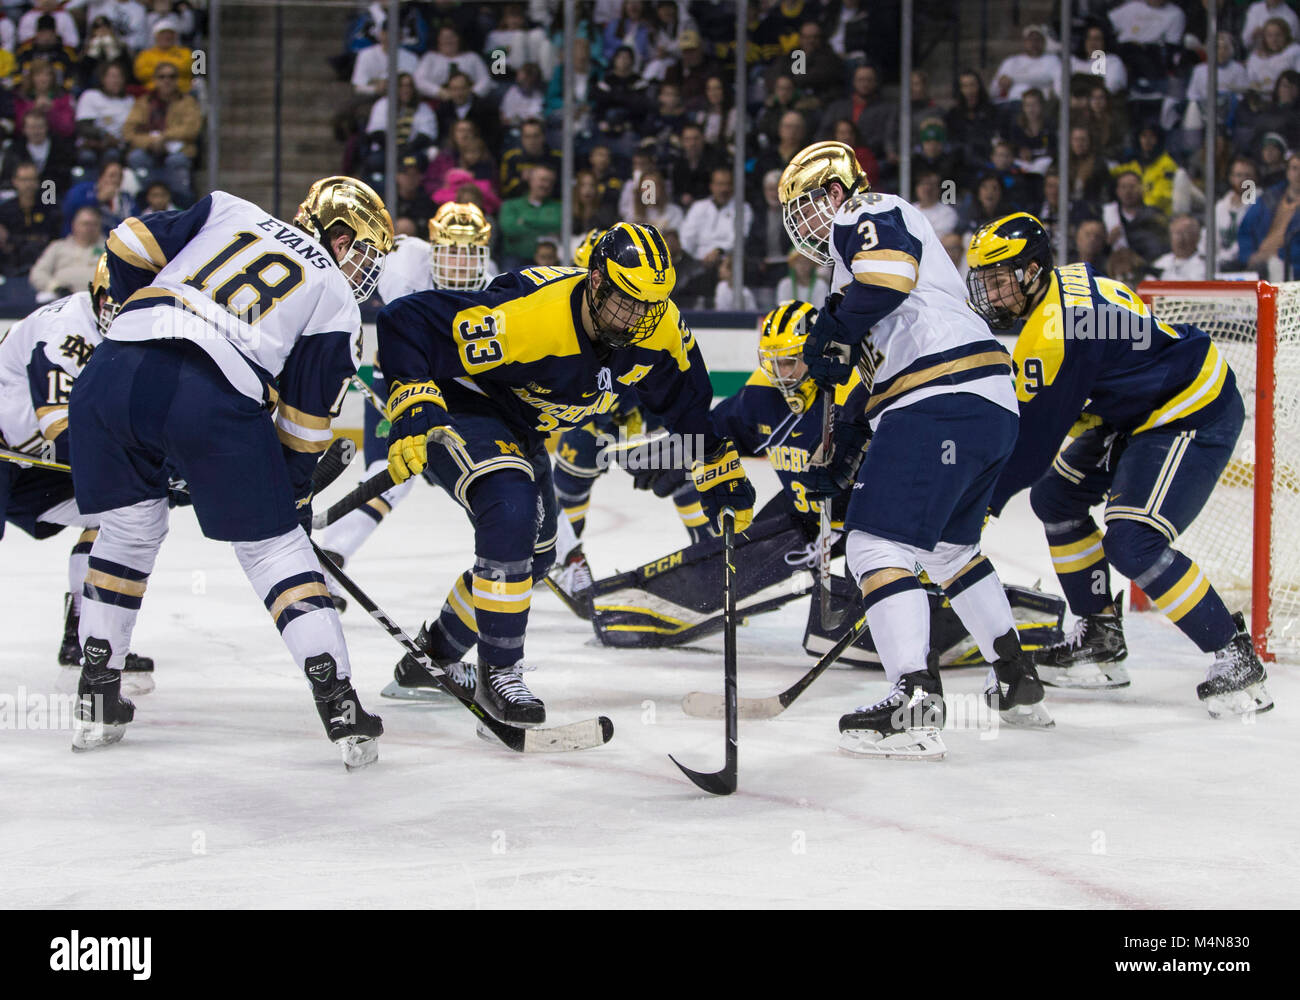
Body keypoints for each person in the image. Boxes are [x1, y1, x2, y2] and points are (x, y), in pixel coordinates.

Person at [66, 176, 394, 765]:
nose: (366, 268)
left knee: (127, 531)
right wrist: (292, 500)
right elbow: (304, 424)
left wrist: (146, 319)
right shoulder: (335, 294)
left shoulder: (228, 208)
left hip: (107, 377)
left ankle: (96, 695)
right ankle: (339, 704)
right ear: (340, 237)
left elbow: (126, 242)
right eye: (365, 250)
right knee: (273, 551)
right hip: (209, 393)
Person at [375, 222, 755, 725]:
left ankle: (432, 661)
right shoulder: (530, 316)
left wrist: (716, 464)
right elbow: (405, 321)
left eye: (653, 303)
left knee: (533, 556)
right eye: (629, 300)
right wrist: (413, 402)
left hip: (524, 427)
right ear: (596, 280)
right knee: (509, 511)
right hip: (466, 404)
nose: (641, 317)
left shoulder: (655, 328)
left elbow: (687, 406)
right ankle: (501, 673)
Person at [778, 141, 1050, 759]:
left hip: (940, 395)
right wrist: (842, 450)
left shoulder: (865, 212)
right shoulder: (852, 272)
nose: (804, 222)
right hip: (985, 402)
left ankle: (913, 699)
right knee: (953, 550)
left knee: (874, 543)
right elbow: (873, 375)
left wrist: (829, 327)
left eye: (805, 205)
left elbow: (890, 279)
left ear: (831, 193)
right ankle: (1016, 678)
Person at [968, 212, 1271, 718]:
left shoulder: (1051, 334)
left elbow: (1029, 450)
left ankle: (1236, 656)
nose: (990, 295)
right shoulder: (1072, 283)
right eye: (984, 282)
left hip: (1189, 409)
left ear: (1033, 272)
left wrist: (977, 506)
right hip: (1136, 409)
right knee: (1055, 498)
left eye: (999, 281)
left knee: (1133, 542)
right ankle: (1101, 639)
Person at [317, 204, 495, 700]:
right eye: (450, 251)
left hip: (449, 393)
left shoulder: (498, 286)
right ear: (433, 247)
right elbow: (342, 277)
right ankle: (331, 552)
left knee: (503, 482)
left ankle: (552, 555)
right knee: (391, 474)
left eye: (469, 253)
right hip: (400, 382)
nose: (459, 263)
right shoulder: (402, 263)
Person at [0, 256, 152, 687]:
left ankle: (82, 636)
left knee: (116, 511)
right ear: (96, 292)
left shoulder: (135, 335)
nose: (119, 310)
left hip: (32, 459)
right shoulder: (68, 331)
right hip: (8, 449)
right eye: (114, 300)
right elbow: (62, 429)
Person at [123, 61, 201, 201]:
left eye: (171, 77)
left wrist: (164, 137)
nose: (167, 81)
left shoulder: (188, 102)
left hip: (179, 150)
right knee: (136, 157)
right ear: (155, 80)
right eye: (162, 77)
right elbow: (129, 131)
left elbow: (192, 129)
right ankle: (144, 202)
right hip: (148, 150)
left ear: (177, 80)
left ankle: (182, 204)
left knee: (176, 161)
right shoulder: (143, 102)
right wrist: (151, 142)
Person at [1238, 150, 1300, 277]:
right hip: (1256, 260)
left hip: (1290, 265)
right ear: (1287, 172)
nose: (1298, 174)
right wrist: (1249, 255)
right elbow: (1245, 229)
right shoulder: (1269, 197)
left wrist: (1278, 255)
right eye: (1294, 168)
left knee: (1274, 265)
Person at [0, 160, 63, 278]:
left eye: (32, 179)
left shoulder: (50, 209)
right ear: (15, 181)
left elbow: (51, 238)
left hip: (44, 263)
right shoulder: (4, 210)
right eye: (24, 180)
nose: (28, 184)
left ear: (37, 181)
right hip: (11, 265)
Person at [498, 162, 562, 269]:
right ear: (531, 180)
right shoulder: (510, 205)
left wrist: (525, 221)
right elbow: (510, 229)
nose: (546, 185)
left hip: (548, 260)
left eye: (550, 182)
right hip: (516, 258)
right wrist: (544, 225)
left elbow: (557, 225)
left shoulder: (558, 207)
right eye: (543, 180)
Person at [29, 205, 103, 297]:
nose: (90, 228)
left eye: (95, 224)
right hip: (59, 298)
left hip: (96, 298)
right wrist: (54, 287)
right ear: (74, 225)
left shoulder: (108, 248)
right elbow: (38, 273)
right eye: (86, 224)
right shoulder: (58, 246)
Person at [991, 24, 1060, 104]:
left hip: (1042, 104)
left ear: (1044, 42)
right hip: (1015, 102)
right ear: (1024, 42)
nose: (1034, 43)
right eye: (1030, 40)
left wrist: (1016, 78)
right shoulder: (1011, 62)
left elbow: (1059, 85)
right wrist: (1001, 85)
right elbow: (993, 90)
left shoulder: (1052, 60)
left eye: (1037, 40)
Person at [1151, 214, 1207, 278]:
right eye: (1177, 233)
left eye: (1186, 233)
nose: (1180, 239)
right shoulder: (1161, 263)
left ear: (1197, 237)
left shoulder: (1204, 265)